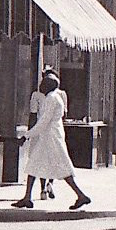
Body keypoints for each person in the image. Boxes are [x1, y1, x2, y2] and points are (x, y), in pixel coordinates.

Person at [11, 74, 91, 210]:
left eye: (44, 83)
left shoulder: (51, 98)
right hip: (49, 137)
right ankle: (27, 198)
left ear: (50, 86)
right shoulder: (53, 97)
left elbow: (43, 121)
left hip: (51, 138)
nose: (41, 86)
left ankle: (81, 195)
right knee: (34, 165)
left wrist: (27, 135)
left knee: (62, 168)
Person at [29, 65, 66, 201]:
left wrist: (28, 134)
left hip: (45, 132)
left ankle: (44, 187)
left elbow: (39, 117)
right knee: (39, 162)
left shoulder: (49, 96)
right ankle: (45, 186)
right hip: (50, 132)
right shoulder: (58, 95)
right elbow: (63, 116)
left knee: (39, 162)